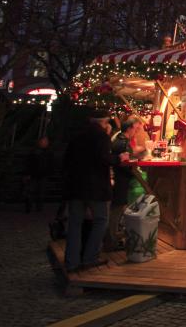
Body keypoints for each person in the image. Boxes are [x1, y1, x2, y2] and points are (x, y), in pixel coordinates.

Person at [63, 116, 117, 272]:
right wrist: (118, 159)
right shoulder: (102, 137)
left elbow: (66, 161)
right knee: (101, 220)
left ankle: (71, 261)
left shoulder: (77, 136)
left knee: (74, 224)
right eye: (108, 123)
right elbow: (104, 159)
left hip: (75, 187)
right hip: (96, 188)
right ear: (103, 123)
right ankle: (90, 257)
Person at [106, 117, 141, 251]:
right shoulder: (123, 143)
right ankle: (111, 241)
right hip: (121, 180)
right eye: (136, 129)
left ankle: (113, 238)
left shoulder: (119, 140)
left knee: (118, 209)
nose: (137, 132)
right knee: (117, 209)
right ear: (129, 128)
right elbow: (123, 163)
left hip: (119, 179)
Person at [24, 137, 52, 213]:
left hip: (42, 175)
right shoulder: (35, 152)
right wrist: (28, 174)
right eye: (43, 142)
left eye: (46, 142)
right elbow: (29, 163)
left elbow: (50, 163)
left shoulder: (47, 152)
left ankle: (37, 208)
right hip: (35, 175)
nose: (45, 143)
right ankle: (31, 207)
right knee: (32, 192)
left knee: (40, 192)